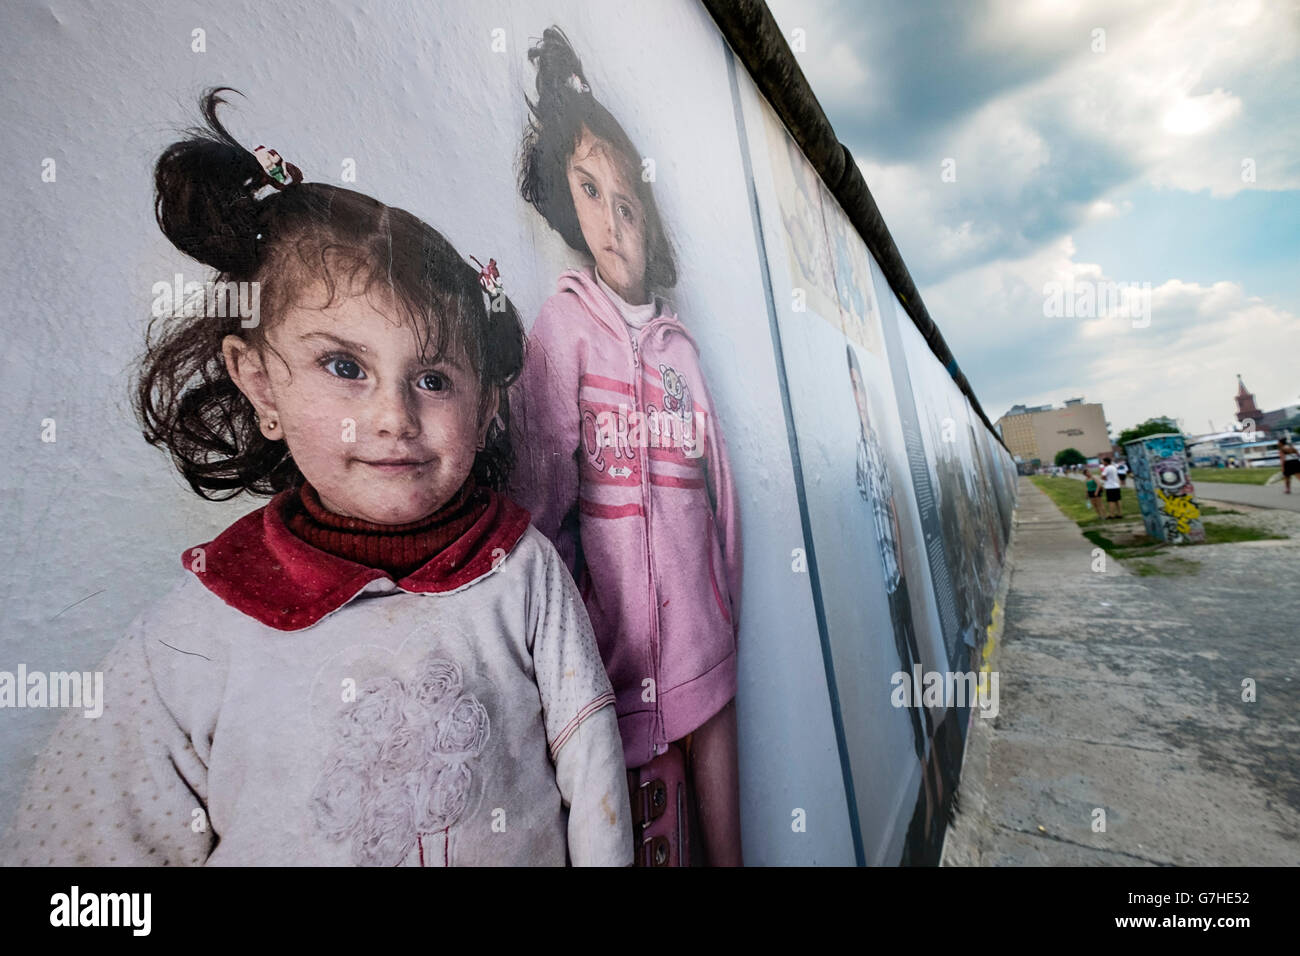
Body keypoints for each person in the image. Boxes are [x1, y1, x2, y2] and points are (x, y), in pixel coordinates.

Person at [1, 89, 632, 867]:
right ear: (261, 383)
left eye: (433, 379)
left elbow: (592, 770)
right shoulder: (199, 630)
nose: (395, 417)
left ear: (486, 404)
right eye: (344, 367)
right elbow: (84, 853)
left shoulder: (521, 570)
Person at [512, 27, 742, 866]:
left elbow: (724, 500)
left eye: (627, 201)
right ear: (564, 203)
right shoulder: (562, 330)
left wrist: (725, 610)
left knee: (729, 848)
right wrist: (579, 655)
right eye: (588, 189)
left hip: (709, 661)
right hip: (618, 680)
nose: (612, 217)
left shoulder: (682, 350)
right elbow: (539, 506)